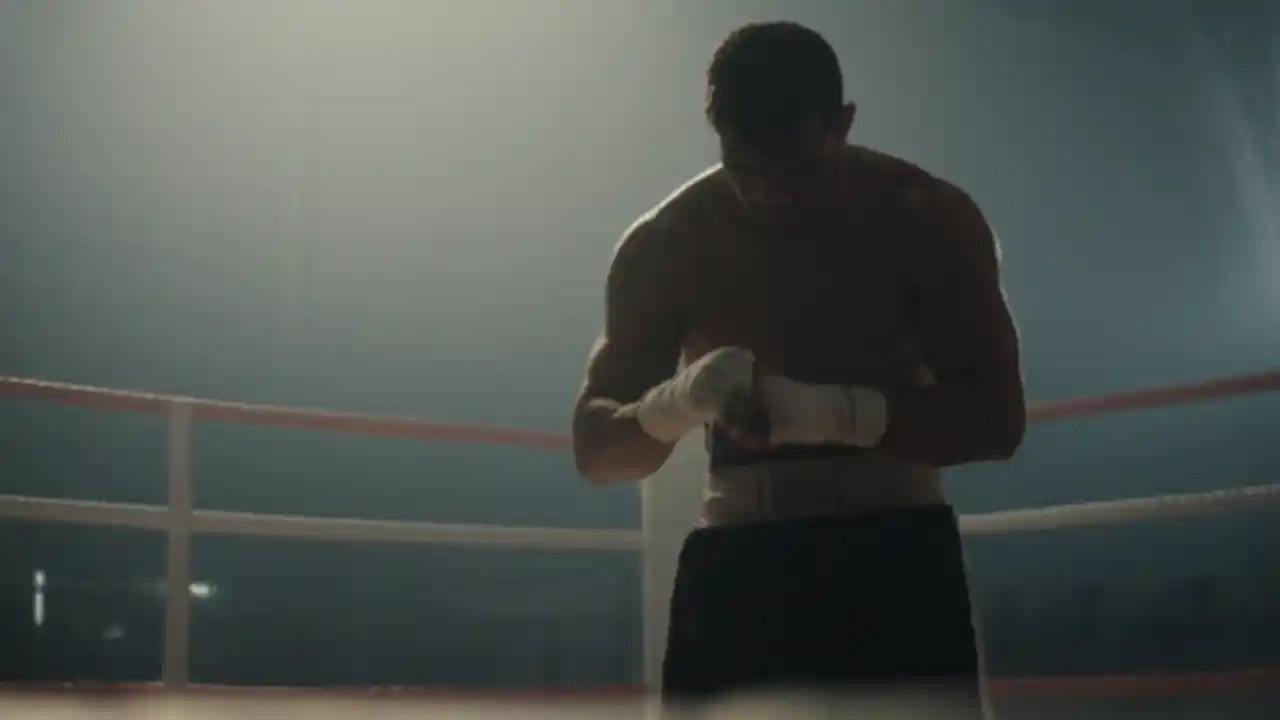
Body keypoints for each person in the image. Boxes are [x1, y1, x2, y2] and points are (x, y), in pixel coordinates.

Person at [572, 21, 1025, 717]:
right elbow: (598, 452)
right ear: (715, 130)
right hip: (738, 564)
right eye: (744, 170)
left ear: (842, 123)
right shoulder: (669, 244)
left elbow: (997, 420)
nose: (768, 196)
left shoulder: (924, 218)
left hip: (894, 557)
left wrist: (828, 414)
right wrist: (681, 401)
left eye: (798, 172)